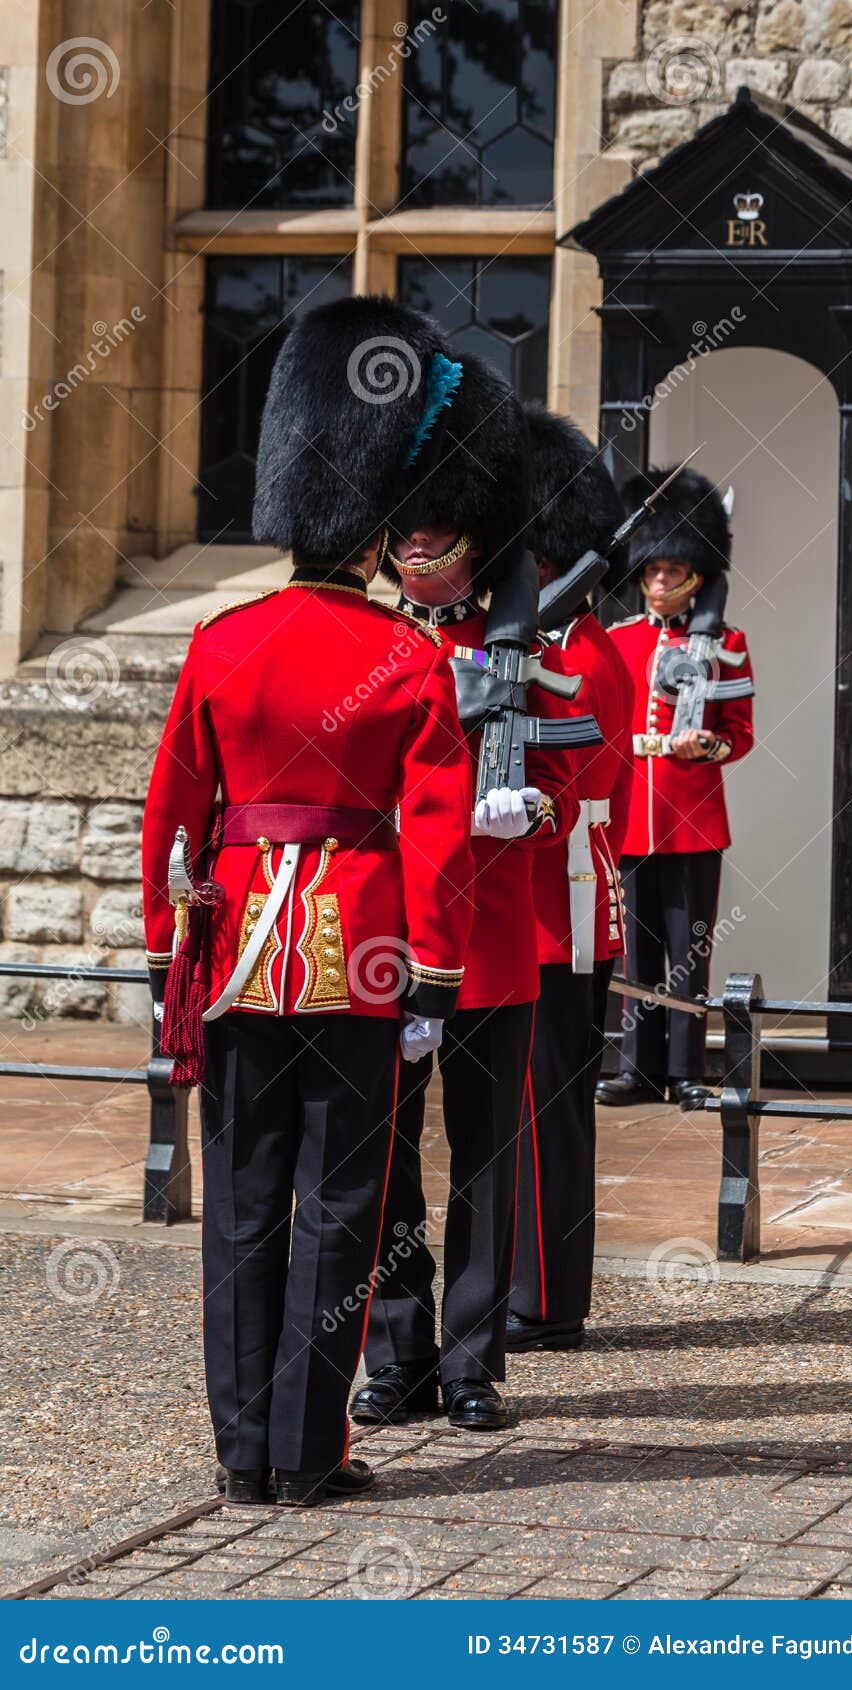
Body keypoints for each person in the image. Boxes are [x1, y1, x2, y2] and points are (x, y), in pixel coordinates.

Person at [142, 295, 479, 1507]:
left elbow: (174, 808)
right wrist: (434, 966)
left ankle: (241, 1456)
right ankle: (305, 1450)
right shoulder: (411, 659)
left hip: (233, 945)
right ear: (378, 532)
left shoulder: (223, 641)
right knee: (341, 1205)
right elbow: (437, 831)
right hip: (364, 950)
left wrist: (166, 943)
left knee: (239, 1204)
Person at [351, 362, 584, 1433]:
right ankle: (395, 1355)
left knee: (486, 1155)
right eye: (405, 533)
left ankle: (470, 1362)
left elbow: (573, 773)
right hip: (382, 938)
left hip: (488, 935)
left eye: (435, 533)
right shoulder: (373, 647)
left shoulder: (528, 648)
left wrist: (527, 811)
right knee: (383, 1160)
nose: (416, 549)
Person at [507, 406, 634, 1354]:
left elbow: (557, 783)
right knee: (531, 1105)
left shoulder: (572, 656)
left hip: (559, 896)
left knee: (545, 1107)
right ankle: (530, 1284)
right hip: (550, 890)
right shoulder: (563, 644)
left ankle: (546, 1298)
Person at [596, 466, 754, 1109]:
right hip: (632, 817)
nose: (659, 582)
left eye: (672, 571)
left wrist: (707, 746)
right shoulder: (618, 641)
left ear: (695, 574)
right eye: (651, 570)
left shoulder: (727, 644)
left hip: (691, 816)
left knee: (689, 954)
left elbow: (739, 733)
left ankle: (687, 1069)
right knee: (637, 954)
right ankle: (637, 1066)